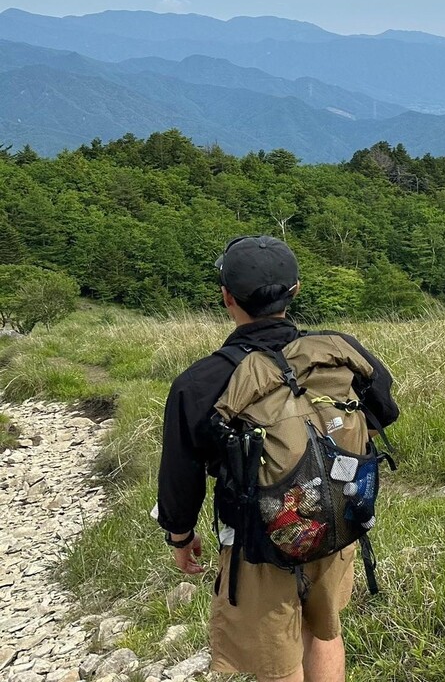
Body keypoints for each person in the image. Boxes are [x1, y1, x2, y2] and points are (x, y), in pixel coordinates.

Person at [155, 235, 399, 682]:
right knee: (324, 632)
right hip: (335, 520)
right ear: (296, 290)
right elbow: (385, 412)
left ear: (227, 297)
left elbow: (180, 473)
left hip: (256, 541)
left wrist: (180, 535)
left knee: (274, 660)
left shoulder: (202, 380)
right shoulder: (339, 350)